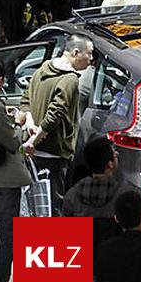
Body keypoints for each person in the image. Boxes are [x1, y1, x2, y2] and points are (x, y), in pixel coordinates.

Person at [18, 33, 93, 214]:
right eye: (89, 53)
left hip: (34, 152)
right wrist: (33, 140)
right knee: (53, 206)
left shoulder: (41, 70)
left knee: (37, 206)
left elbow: (25, 101)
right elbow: (55, 114)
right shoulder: (70, 79)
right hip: (53, 152)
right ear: (76, 53)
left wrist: (30, 125)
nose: (91, 58)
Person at [0, 57, 26, 282]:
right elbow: (12, 141)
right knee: (7, 233)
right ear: (0, 80)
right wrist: (19, 124)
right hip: (3, 179)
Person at [63, 136, 140, 247]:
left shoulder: (72, 195)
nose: (117, 154)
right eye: (115, 154)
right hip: (114, 254)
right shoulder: (125, 195)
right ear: (110, 164)